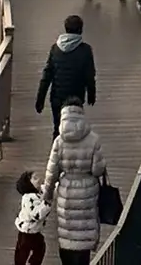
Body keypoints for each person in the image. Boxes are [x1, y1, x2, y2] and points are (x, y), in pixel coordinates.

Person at [43, 106, 110, 265]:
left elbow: (52, 172)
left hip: (66, 191)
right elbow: (97, 170)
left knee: (67, 233)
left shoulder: (59, 141)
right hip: (87, 190)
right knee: (84, 232)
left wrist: (47, 194)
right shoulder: (93, 139)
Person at [33, 14, 97, 127]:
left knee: (58, 128)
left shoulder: (55, 49)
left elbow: (47, 76)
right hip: (76, 97)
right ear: (81, 30)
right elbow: (90, 75)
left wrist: (40, 99)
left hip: (57, 97)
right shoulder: (86, 50)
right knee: (74, 127)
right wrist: (91, 94)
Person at [14, 170, 48, 265]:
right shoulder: (29, 198)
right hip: (28, 231)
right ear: (29, 184)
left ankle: (31, 262)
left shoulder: (38, 193)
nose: (39, 179)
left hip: (33, 230)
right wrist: (47, 205)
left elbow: (47, 189)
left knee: (38, 248)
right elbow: (36, 215)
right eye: (35, 178)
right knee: (23, 251)